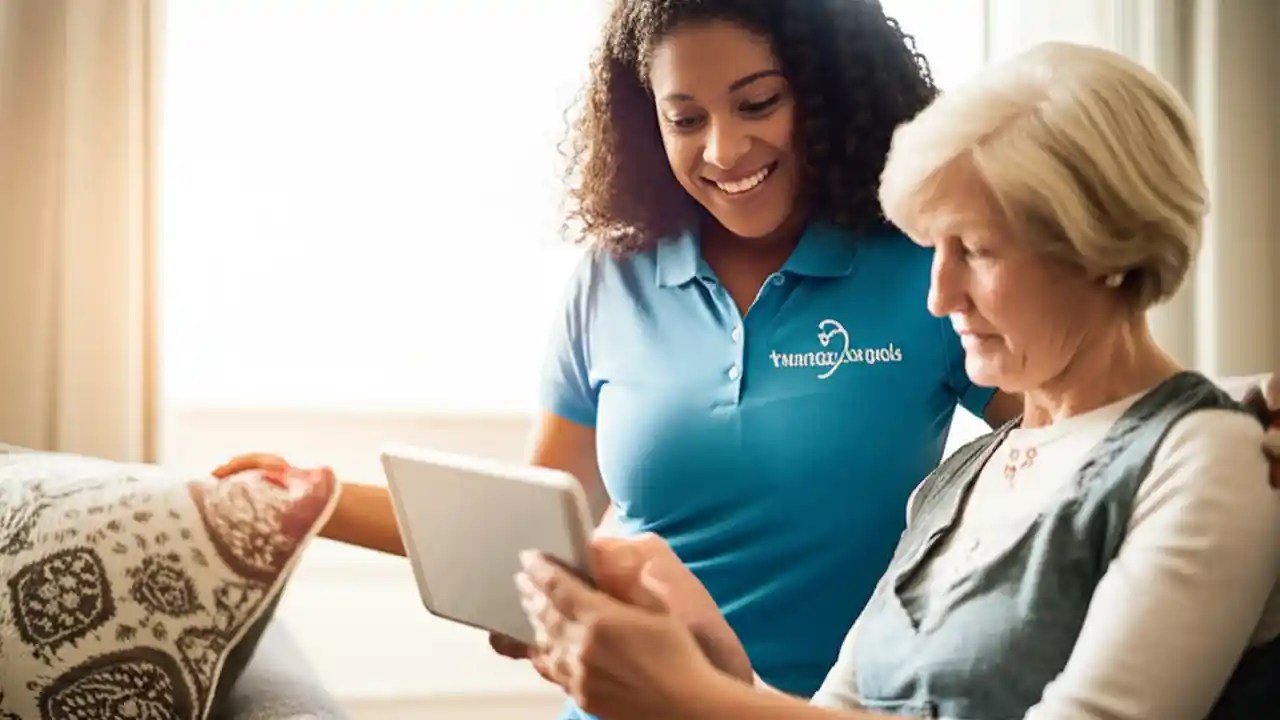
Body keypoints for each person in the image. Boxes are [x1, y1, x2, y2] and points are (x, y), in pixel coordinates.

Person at [214, 2, 1022, 717]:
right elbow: (537, 527)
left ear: (830, 92)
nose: (724, 148)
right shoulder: (611, 278)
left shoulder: (928, 268)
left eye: (759, 103)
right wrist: (311, 500)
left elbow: (1067, 452)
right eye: (685, 117)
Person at [514, 41, 1280, 720]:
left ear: (1103, 244)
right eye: (932, 248)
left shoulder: (1214, 460)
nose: (938, 297)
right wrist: (711, 660)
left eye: (975, 250)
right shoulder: (959, 481)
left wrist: (696, 700)